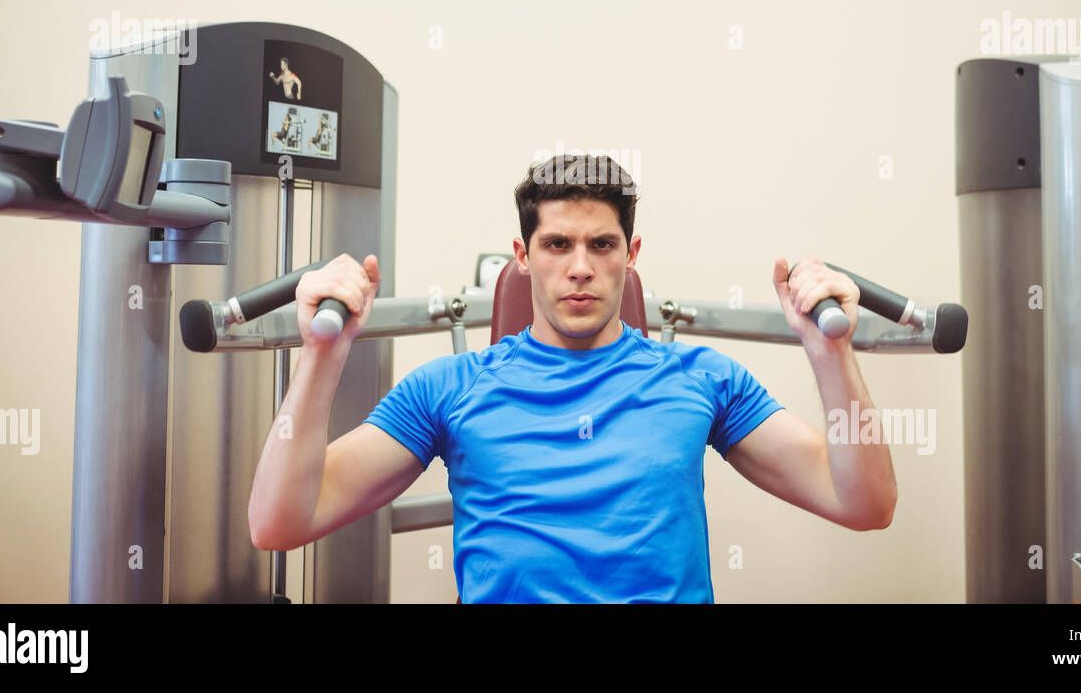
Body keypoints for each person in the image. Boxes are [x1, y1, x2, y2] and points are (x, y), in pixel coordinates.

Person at [247, 154, 897, 602]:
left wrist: (827, 352)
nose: (580, 267)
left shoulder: (702, 379)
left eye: (602, 245)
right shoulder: (450, 388)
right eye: (558, 245)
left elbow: (864, 504)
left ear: (631, 256)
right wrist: (322, 356)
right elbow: (280, 523)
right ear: (523, 257)